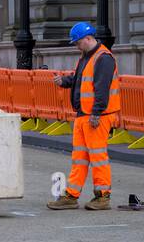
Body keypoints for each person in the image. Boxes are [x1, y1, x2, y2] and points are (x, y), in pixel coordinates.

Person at [47, 22, 121, 211]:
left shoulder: (103, 58)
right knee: (79, 158)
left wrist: (96, 112)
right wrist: (64, 81)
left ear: (88, 39)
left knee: (98, 157)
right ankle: (71, 195)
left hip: (97, 116)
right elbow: (79, 79)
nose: (76, 46)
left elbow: (102, 88)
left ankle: (103, 196)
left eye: (78, 42)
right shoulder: (87, 56)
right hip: (84, 115)